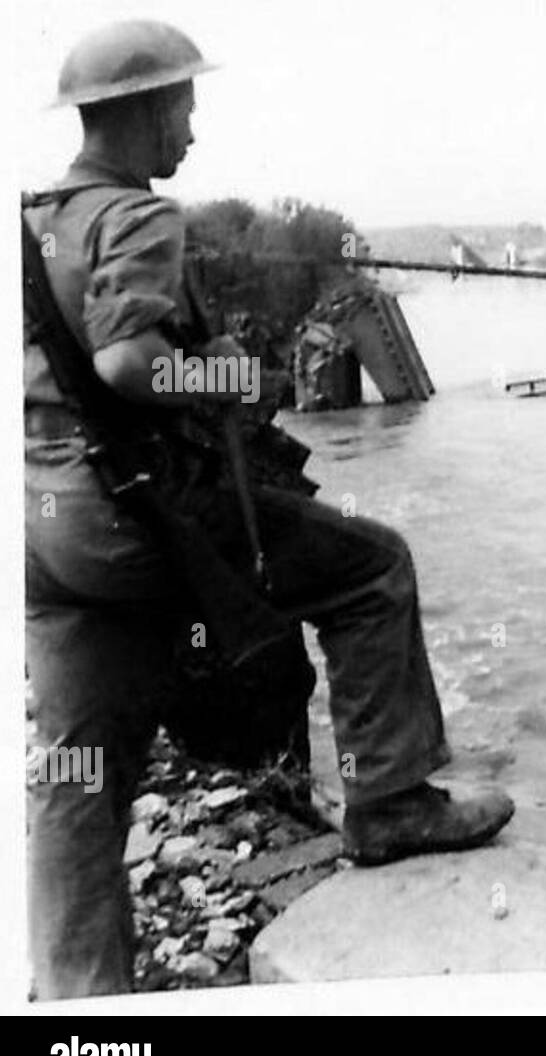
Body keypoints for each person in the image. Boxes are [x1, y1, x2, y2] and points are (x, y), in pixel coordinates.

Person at [24, 19, 514, 1001]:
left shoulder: (34, 221)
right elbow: (126, 358)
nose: (193, 130)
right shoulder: (139, 216)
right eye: (186, 106)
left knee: (78, 767)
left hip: (42, 528)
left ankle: (78, 1000)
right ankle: (387, 800)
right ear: (147, 107)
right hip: (139, 521)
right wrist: (233, 368)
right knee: (372, 568)